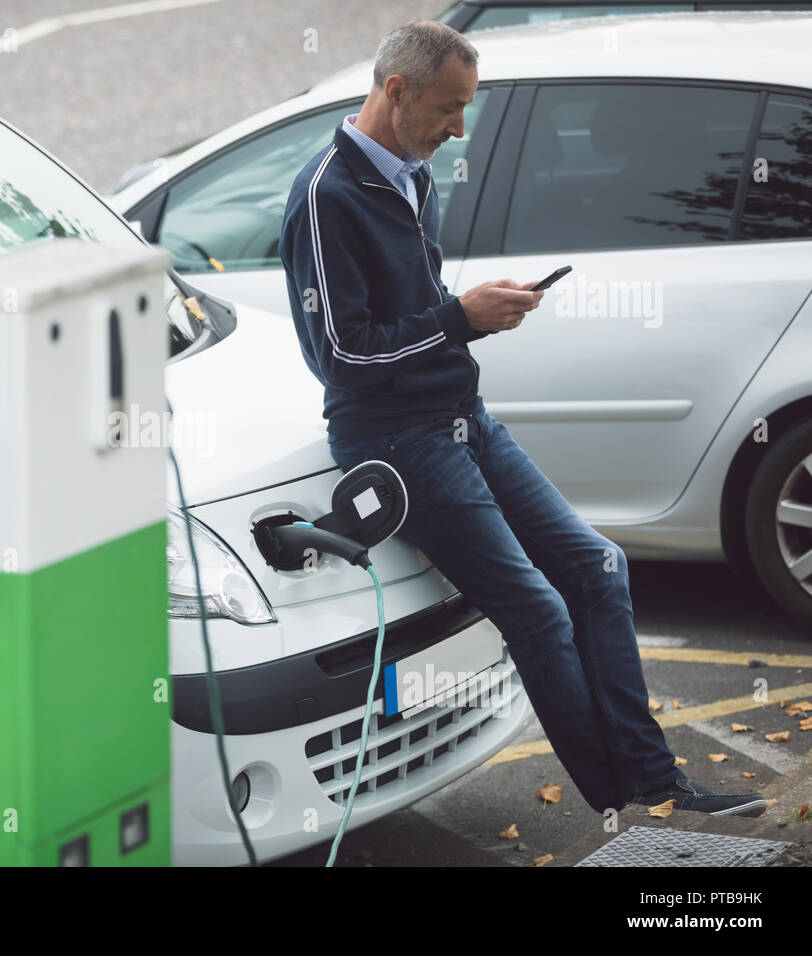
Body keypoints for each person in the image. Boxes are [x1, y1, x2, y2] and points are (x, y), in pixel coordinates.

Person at [278, 19, 766, 818]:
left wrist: (469, 312)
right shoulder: (328, 195)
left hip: (459, 413)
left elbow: (411, 314)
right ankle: (623, 797)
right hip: (395, 439)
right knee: (537, 609)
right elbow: (342, 357)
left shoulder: (410, 170)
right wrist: (459, 320)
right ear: (395, 91)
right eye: (448, 108)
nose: (458, 128)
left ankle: (657, 781)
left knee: (599, 568)